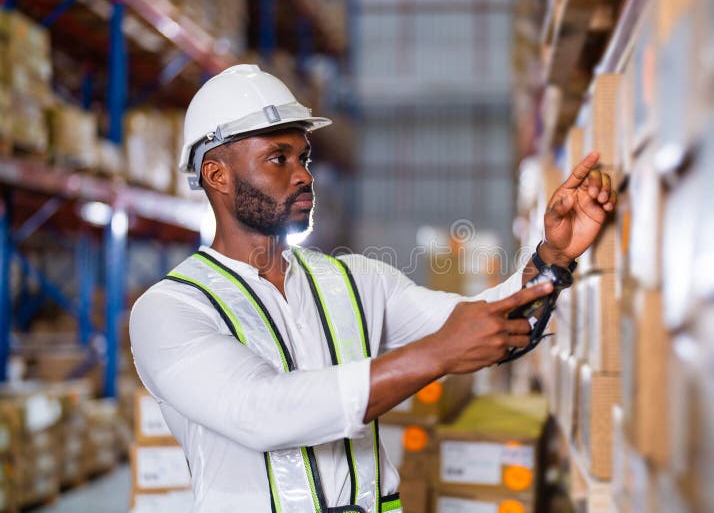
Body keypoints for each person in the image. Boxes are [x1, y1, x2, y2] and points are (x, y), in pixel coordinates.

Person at [129, 65, 617, 513]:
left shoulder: (354, 280)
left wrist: (553, 256)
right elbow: (261, 413)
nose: (303, 175)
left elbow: (486, 325)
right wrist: (438, 353)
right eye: (278, 158)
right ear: (217, 175)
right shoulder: (170, 310)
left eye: (303, 157)